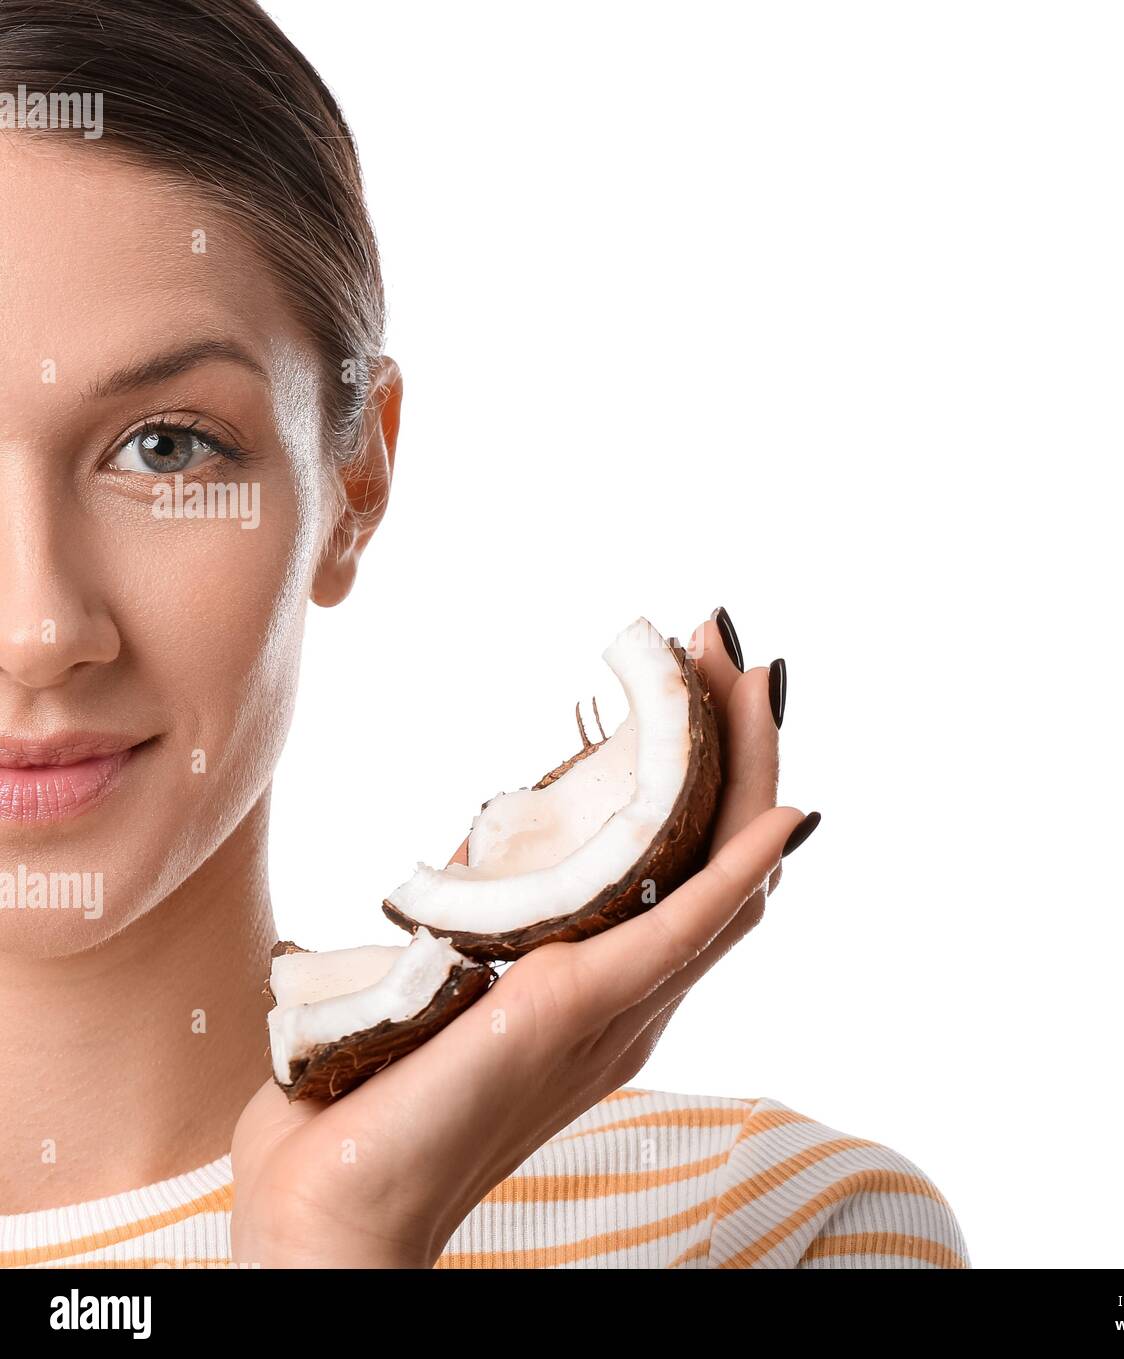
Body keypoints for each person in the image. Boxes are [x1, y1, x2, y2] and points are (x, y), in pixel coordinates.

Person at [0, 0, 968, 1269]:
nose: (38, 629)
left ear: (357, 480)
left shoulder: (763, 1231)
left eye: (166, 447)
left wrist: (336, 1245)